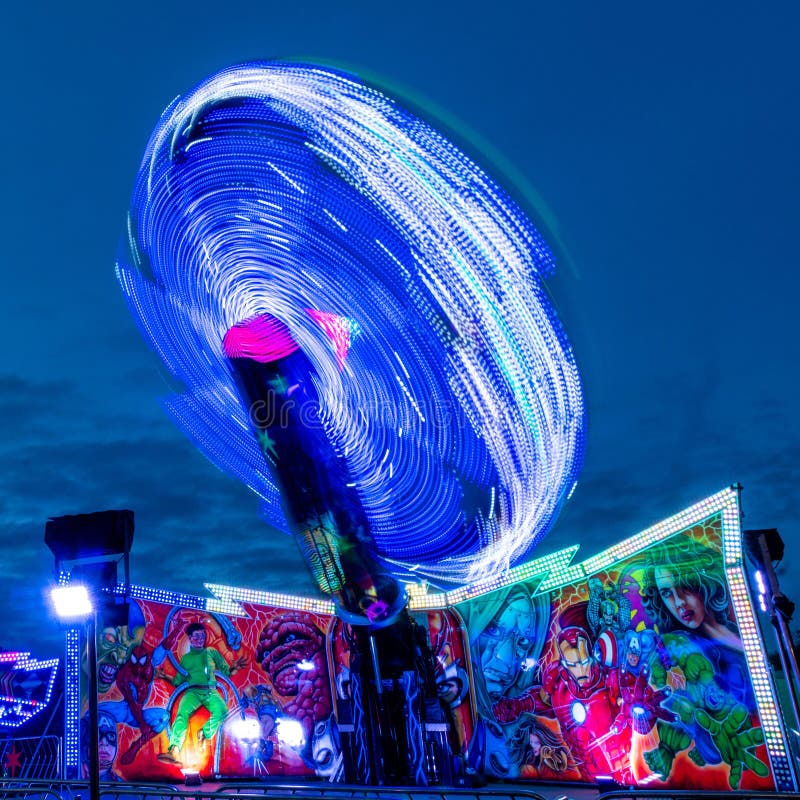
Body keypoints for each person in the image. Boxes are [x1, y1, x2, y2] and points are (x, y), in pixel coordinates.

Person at [641, 536, 751, 706]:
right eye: (666, 593)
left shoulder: (737, 627)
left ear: (699, 581)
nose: (679, 602)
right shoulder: (683, 649)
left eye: (682, 586)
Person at [157, 621, 247, 766]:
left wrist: (234, 668)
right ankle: (174, 750)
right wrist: (163, 676)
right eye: (197, 636)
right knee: (182, 714)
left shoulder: (211, 652)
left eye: (203, 635)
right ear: (190, 638)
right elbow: (178, 681)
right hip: (193, 692)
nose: (200, 639)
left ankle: (203, 734)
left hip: (210, 691)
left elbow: (226, 671)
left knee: (222, 711)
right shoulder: (186, 659)